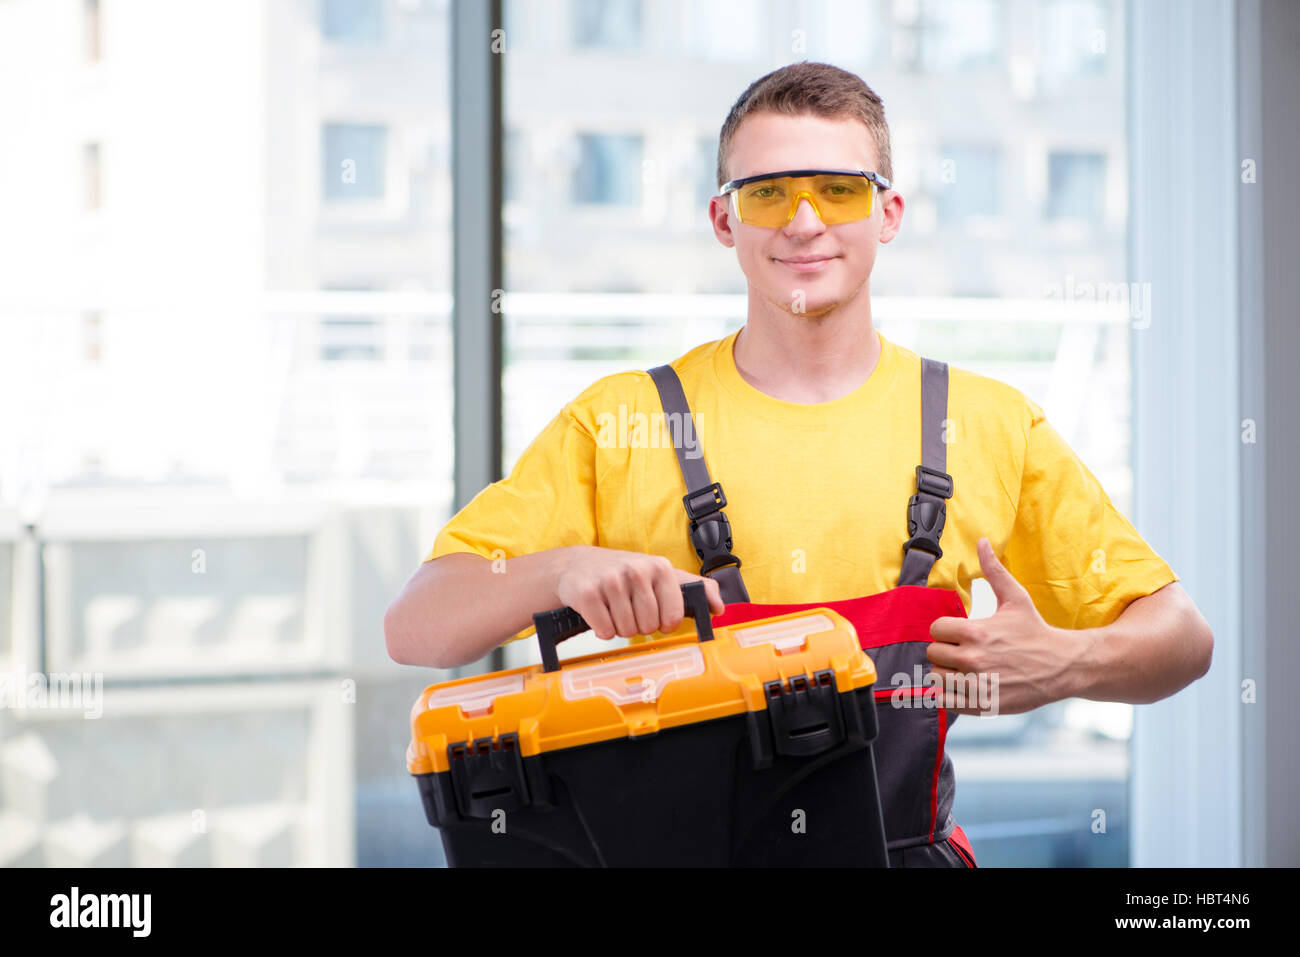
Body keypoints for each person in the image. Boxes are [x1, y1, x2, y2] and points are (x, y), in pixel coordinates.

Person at [385, 61, 1213, 867]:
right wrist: (561, 569)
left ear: (888, 212)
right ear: (724, 219)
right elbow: (417, 626)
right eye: (768, 192)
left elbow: (1183, 638)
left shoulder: (986, 425)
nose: (804, 220)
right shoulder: (620, 424)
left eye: (839, 190)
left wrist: (1067, 663)